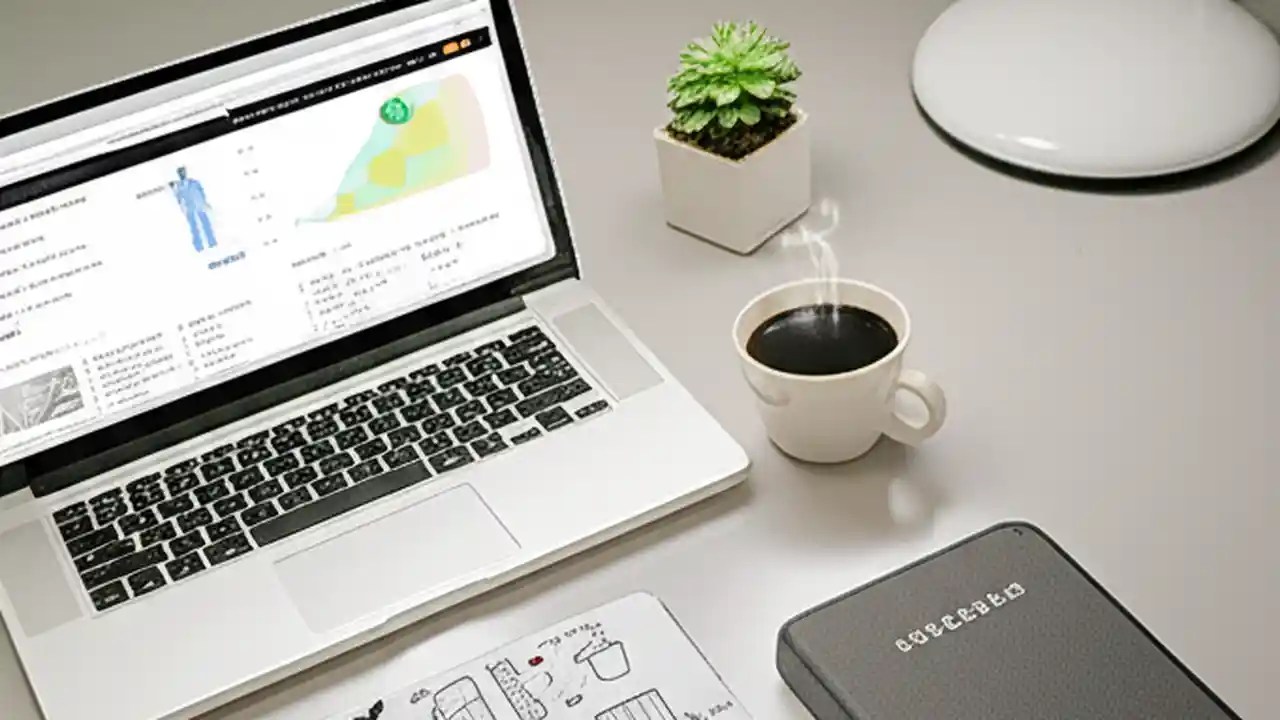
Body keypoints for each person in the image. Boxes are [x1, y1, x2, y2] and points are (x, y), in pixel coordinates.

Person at [170, 166, 217, 251]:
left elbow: (202, 192)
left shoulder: (194, 182)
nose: (182, 174)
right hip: (189, 208)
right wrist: (173, 189)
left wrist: (205, 203)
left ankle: (212, 242)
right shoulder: (178, 186)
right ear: (178, 174)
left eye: (183, 172)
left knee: (206, 224)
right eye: (180, 172)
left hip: (199, 205)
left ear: (186, 172)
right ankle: (199, 247)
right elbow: (178, 198)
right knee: (194, 228)